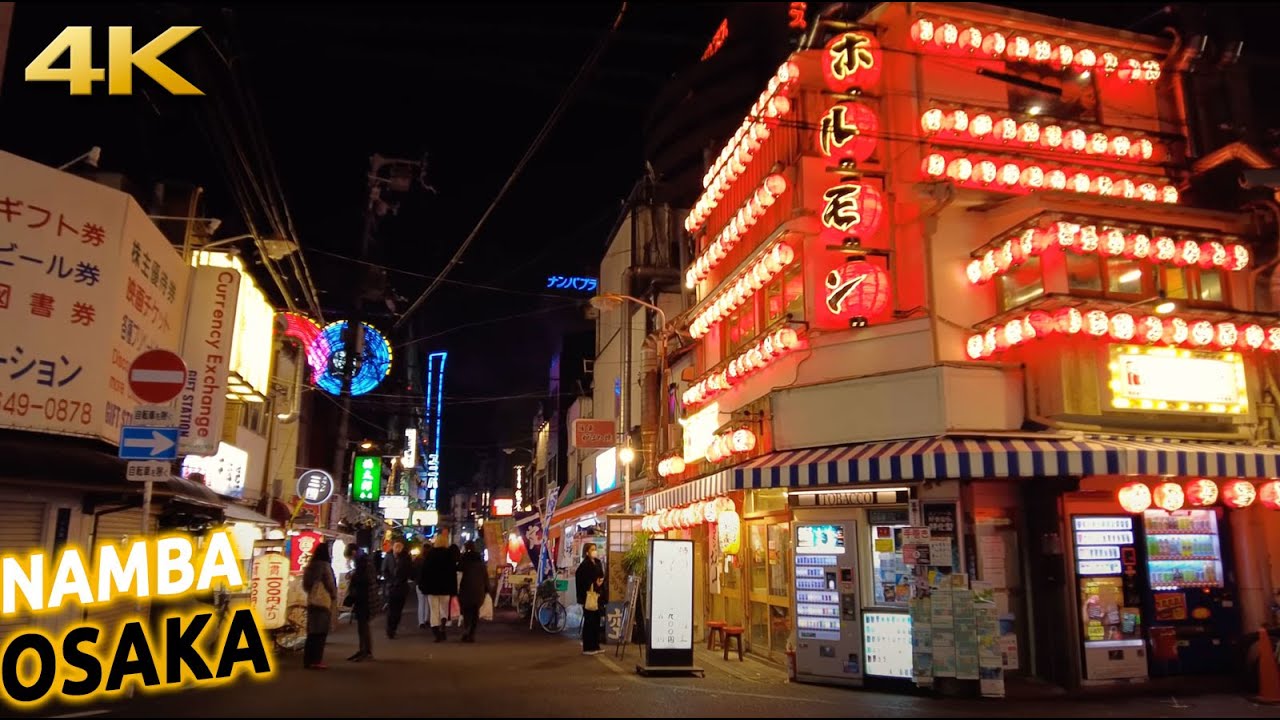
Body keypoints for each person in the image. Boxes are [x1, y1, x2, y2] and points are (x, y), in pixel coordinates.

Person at [302, 542, 337, 669]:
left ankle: (307, 660)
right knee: (321, 632)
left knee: (311, 632)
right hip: (323, 603)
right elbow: (330, 583)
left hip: (312, 601)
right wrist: (333, 595)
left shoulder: (310, 566)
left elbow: (305, 585)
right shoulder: (325, 566)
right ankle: (316, 661)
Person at [418, 535, 458, 642]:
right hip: (445, 588)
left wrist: (423, 586)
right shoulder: (449, 556)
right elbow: (452, 574)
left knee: (434, 611)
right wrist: (454, 590)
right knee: (444, 610)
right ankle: (443, 628)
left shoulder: (430, 555)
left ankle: (436, 633)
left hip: (432, 588)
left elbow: (424, 572)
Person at [343, 544, 375, 661]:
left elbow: (364, 580)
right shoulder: (363, 560)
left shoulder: (363, 561)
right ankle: (364, 650)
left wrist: (353, 576)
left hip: (364, 598)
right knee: (363, 626)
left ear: (353, 552)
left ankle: (365, 651)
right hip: (364, 597)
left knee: (363, 625)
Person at [575, 542, 607, 655]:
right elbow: (582, 581)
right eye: (592, 549)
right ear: (587, 551)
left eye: (595, 549)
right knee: (589, 621)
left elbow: (602, 575)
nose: (594, 551)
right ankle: (588, 647)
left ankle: (596, 645)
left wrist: (600, 582)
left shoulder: (597, 562)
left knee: (596, 621)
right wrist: (594, 583)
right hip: (588, 597)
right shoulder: (584, 565)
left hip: (598, 596)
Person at [457, 541, 489, 643]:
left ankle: (466, 630)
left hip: (465, 590)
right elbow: (485, 578)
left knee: (466, 612)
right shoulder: (481, 563)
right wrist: (487, 590)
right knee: (475, 613)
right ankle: (471, 633)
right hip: (478, 591)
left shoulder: (463, 561)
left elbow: (458, 574)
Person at [383, 540, 413, 639]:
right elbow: (384, 570)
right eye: (396, 547)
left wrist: (402, 579)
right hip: (391, 587)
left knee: (398, 610)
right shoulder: (388, 557)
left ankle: (394, 627)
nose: (397, 549)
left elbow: (409, 571)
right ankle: (390, 629)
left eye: (399, 547)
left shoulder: (406, 558)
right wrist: (390, 581)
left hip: (402, 587)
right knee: (391, 609)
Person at [412, 550, 429, 629]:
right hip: (428, 583)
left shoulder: (417, 561)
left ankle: (421, 622)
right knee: (427, 602)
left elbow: (413, 573)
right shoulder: (429, 561)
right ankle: (426, 619)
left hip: (419, 583)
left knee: (421, 602)